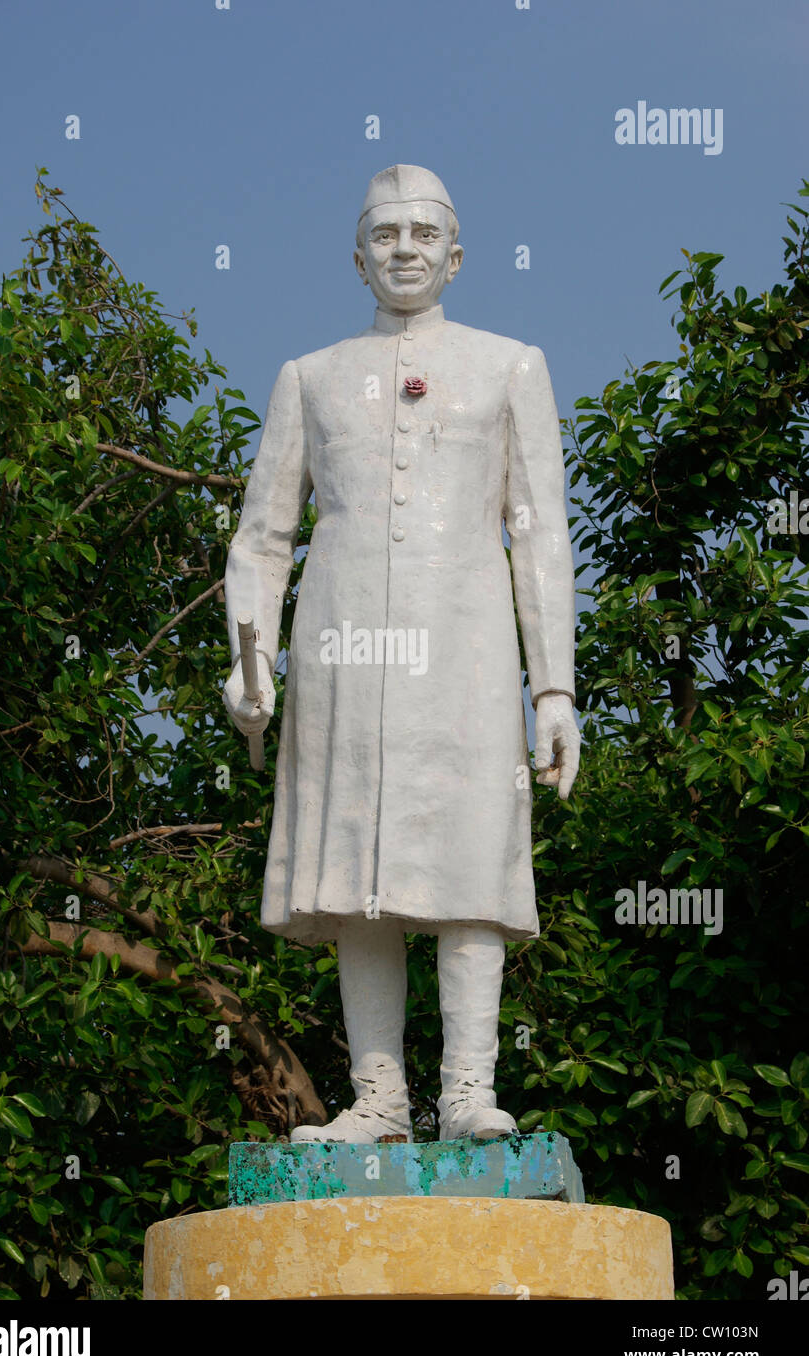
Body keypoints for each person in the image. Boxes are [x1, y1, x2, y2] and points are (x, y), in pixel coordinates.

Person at [223, 165, 580, 1142]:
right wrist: (248, 656)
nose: (406, 248)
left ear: (456, 254)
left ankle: (468, 1089)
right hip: (341, 651)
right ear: (359, 255)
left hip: (464, 650)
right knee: (359, 871)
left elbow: (538, 530)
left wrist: (554, 686)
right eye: (386, 234)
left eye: (425, 232)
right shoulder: (311, 376)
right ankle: (378, 1098)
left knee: (471, 862)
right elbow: (261, 537)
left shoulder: (510, 366)